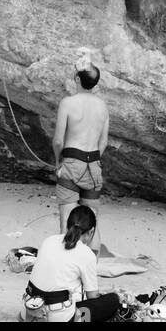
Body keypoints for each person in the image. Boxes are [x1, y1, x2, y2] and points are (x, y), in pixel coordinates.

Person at [19, 205, 119, 323]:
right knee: (112, 301)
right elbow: (92, 297)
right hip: (59, 318)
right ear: (91, 231)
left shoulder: (49, 240)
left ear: (68, 225)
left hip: (29, 311)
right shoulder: (87, 254)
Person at [52, 59, 109, 247]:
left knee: (67, 221)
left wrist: (57, 162)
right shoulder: (102, 106)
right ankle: (90, 271)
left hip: (71, 162)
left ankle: (65, 270)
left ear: (77, 79)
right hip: (93, 165)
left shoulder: (68, 103)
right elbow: (103, 142)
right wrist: (93, 160)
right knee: (92, 223)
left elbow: (58, 140)